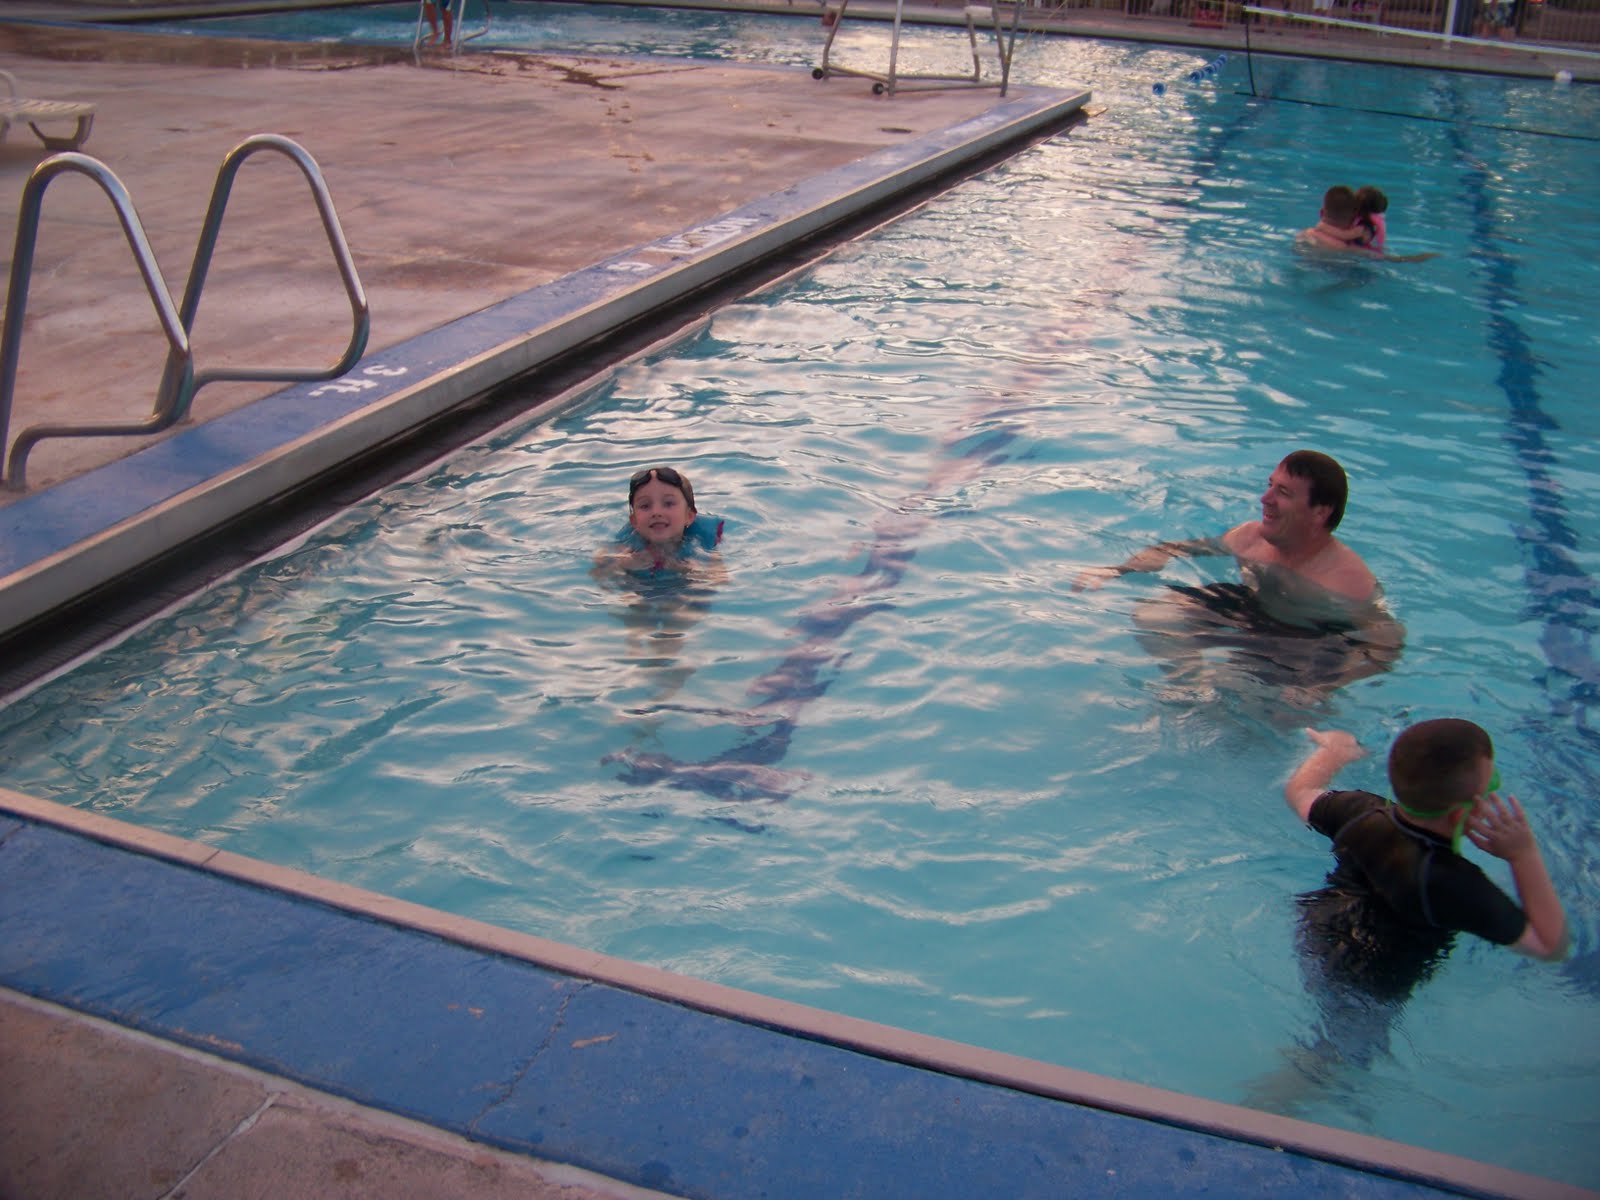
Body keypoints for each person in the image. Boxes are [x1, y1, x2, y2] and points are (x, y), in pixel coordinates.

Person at [1255, 720, 1570, 1104]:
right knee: (1336, 1061)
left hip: (1317, 931)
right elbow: (1550, 945)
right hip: (1368, 981)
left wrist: (1334, 752)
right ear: (1461, 816)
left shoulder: (1361, 811)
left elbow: (1299, 790)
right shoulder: (1454, 885)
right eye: (1491, 788)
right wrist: (1523, 854)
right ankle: (1262, 1110)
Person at [1073, 450, 1403, 702]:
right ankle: (1192, 688)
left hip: (1306, 639)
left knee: (1245, 694)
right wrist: (1117, 570)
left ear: (1320, 512)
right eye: (1270, 485)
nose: (1265, 499)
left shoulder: (1346, 580)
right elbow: (1175, 549)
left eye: (1284, 493)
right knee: (1154, 614)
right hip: (1252, 609)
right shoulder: (1251, 538)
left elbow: (1387, 643)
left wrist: (1323, 686)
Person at [592, 465, 725, 580]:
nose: (656, 512)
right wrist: (623, 564)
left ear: (689, 516)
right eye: (645, 506)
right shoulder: (629, 544)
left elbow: (720, 578)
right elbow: (598, 569)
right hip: (640, 586)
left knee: (694, 598)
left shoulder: (699, 544)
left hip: (683, 587)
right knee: (630, 598)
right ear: (634, 521)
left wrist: (689, 570)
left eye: (668, 503)